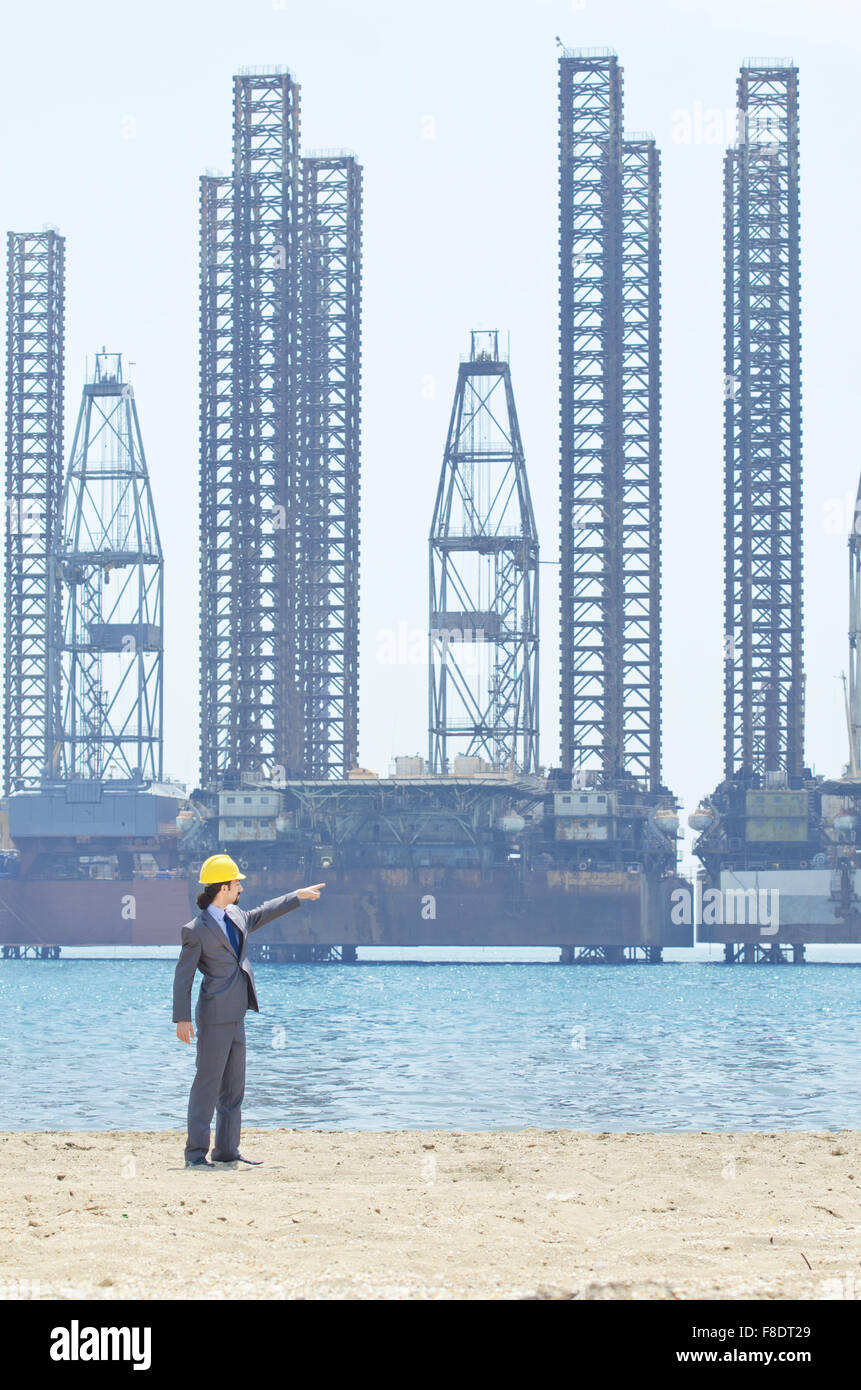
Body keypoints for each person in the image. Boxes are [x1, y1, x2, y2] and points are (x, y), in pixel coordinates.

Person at [173, 853, 325, 1168]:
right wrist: (183, 1019)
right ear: (223, 887)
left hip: (238, 1014)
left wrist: (296, 896)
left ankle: (227, 1151)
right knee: (206, 1086)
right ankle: (195, 1155)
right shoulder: (195, 930)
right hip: (213, 1017)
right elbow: (183, 977)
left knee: (233, 1089)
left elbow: (263, 913)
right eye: (237, 883)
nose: (241, 887)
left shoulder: (238, 916)